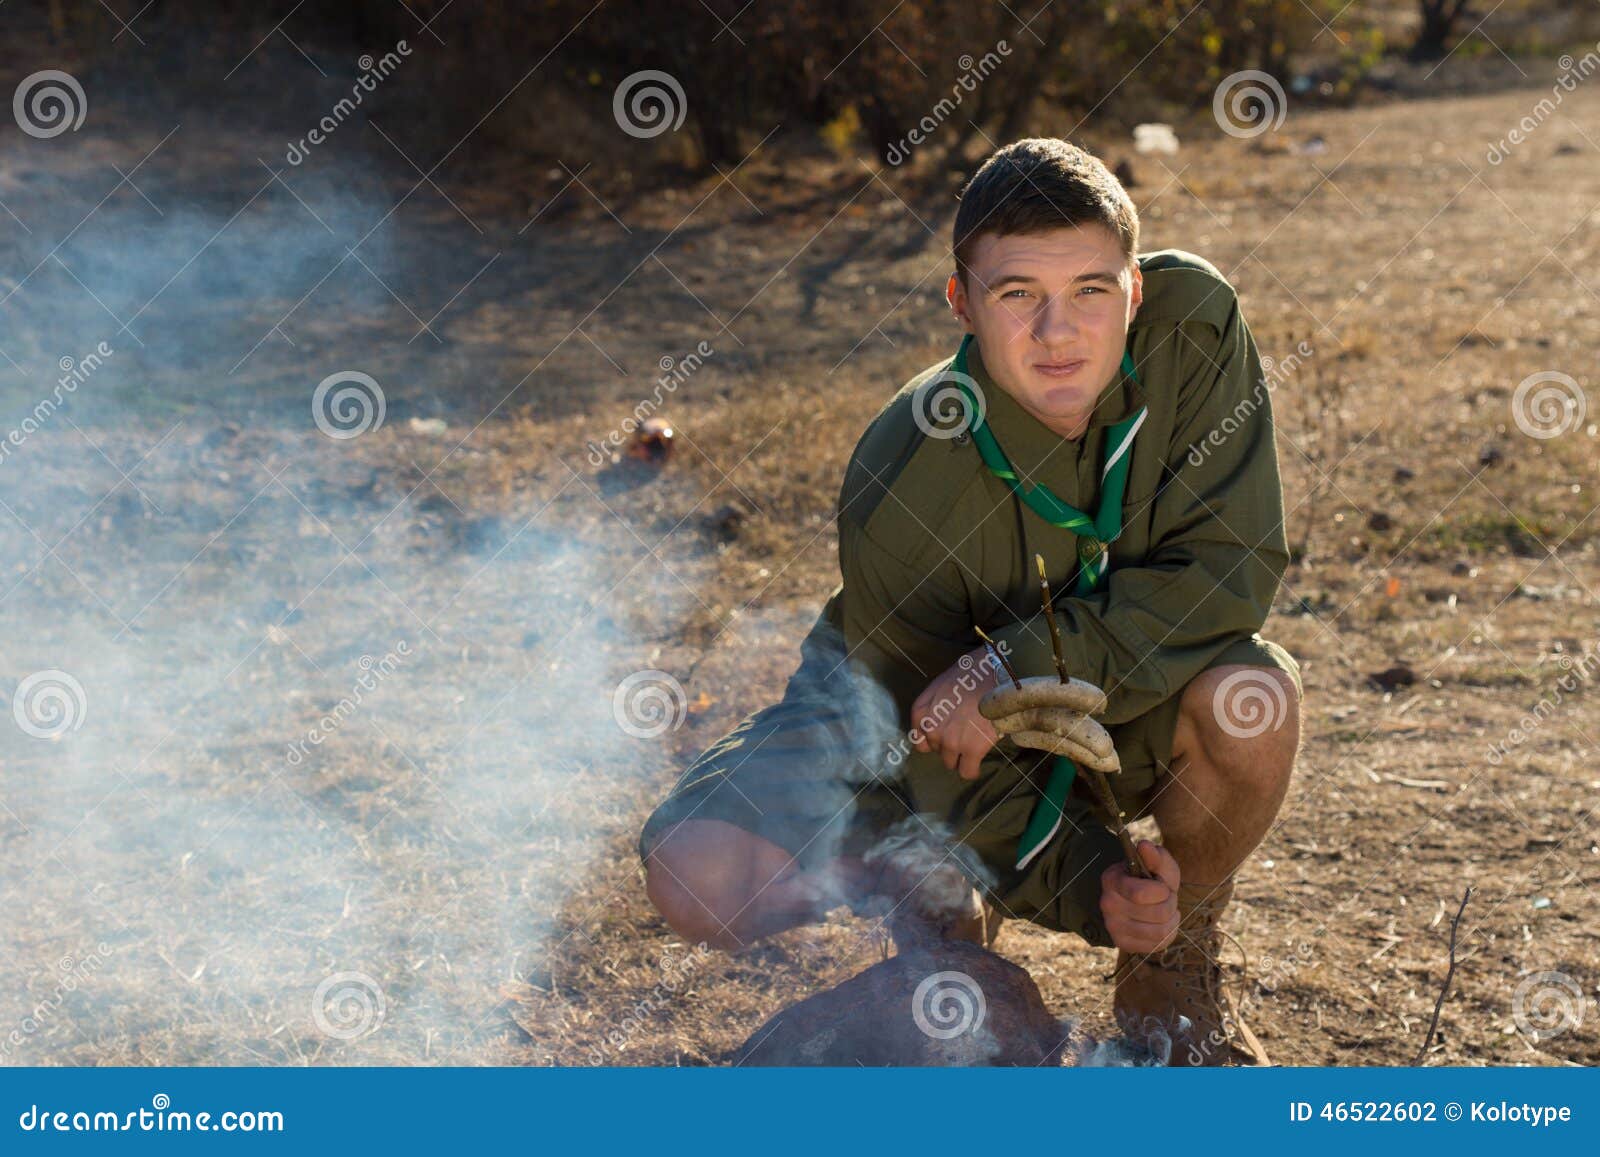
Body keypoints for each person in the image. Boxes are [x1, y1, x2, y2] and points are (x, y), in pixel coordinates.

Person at [638, 137, 1302, 1066]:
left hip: (1105, 698)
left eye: (1091, 291)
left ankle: (1174, 957)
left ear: (1136, 291)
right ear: (962, 302)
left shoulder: (1194, 326)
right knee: (697, 870)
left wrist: (1015, 665)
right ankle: (936, 889)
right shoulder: (905, 465)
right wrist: (1095, 884)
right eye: (1017, 293)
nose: (1058, 332)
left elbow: (1230, 565)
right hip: (898, 725)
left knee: (1253, 702)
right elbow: (925, 734)